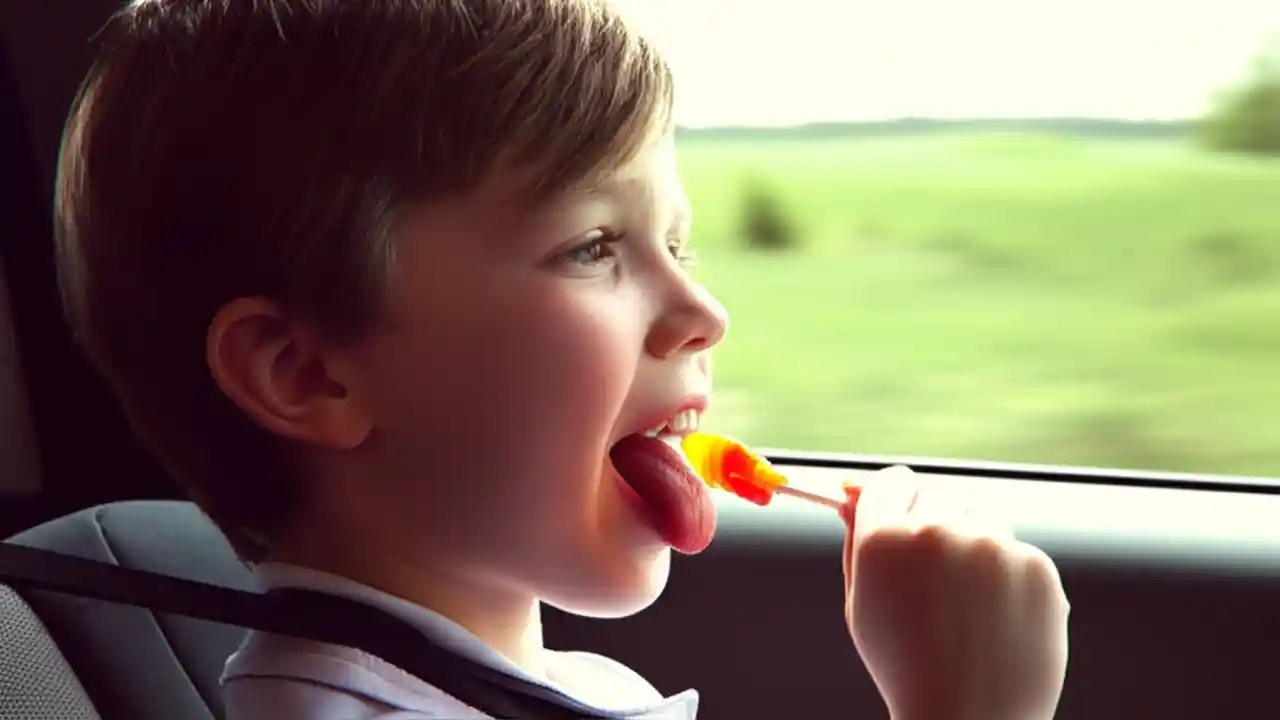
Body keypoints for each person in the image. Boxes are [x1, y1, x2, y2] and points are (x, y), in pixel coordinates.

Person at [52, 0, 1070, 717]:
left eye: (677, 244)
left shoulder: (562, 687)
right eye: (592, 248)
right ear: (308, 373)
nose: (702, 312)